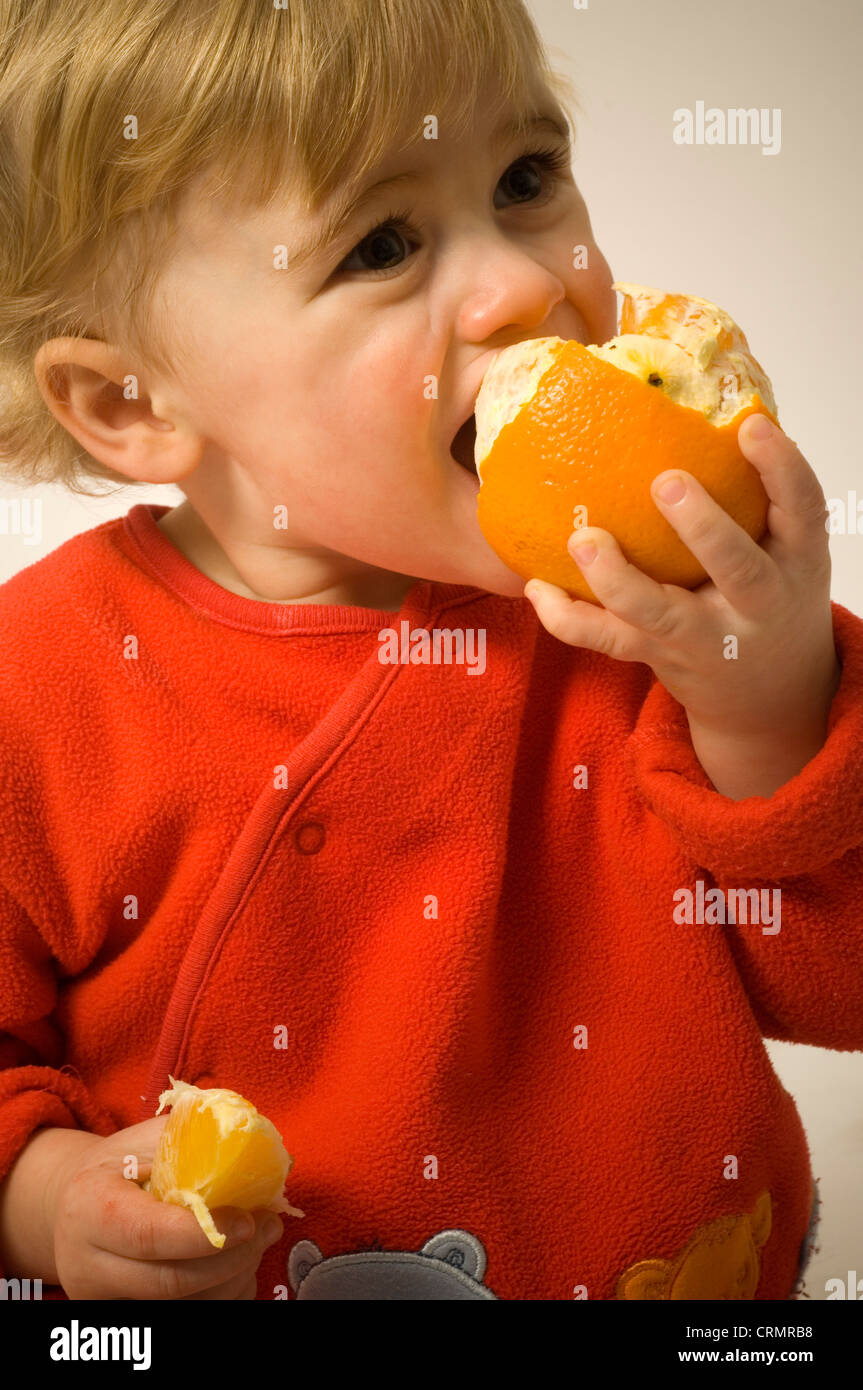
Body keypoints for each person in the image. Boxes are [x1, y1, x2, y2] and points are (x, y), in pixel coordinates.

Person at [0, 0, 858, 1301]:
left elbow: (841, 990)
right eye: (383, 242)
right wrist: (49, 1197)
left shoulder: (659, 621)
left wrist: (772, 701)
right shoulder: (41, 686)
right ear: (133, 402)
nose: (522, 284)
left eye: (525, 178)